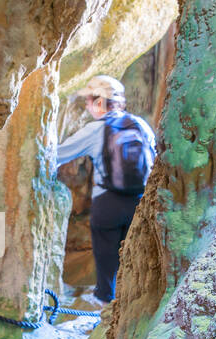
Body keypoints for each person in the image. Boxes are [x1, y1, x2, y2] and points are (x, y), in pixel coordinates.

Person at [55, 75, 157, 304]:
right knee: (134, 260)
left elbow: (58, 154)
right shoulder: (141, 125)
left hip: (107, 204)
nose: (87, 106)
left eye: (89, 101)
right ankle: (129, 309)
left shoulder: (96, 129)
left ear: (99, 102)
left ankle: (104, 310)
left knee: (107, 263)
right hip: (141, 203)